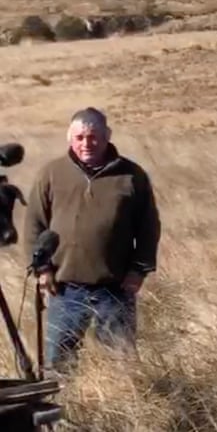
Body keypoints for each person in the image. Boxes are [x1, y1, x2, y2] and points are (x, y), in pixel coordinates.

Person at [22, 107, 161, 373]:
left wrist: (139, 269)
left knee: (121, 364)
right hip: (63, 289)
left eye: (94, 136)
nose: (87, 143)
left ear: (107, 136)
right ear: (69, 138)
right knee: (58, 366)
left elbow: (148, 227)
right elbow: (34, 225)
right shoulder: (51, 173)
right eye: (80, 137)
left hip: (116, 288)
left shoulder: (132, 176)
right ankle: (61, 411)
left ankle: (124, 410)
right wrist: (42, 269)